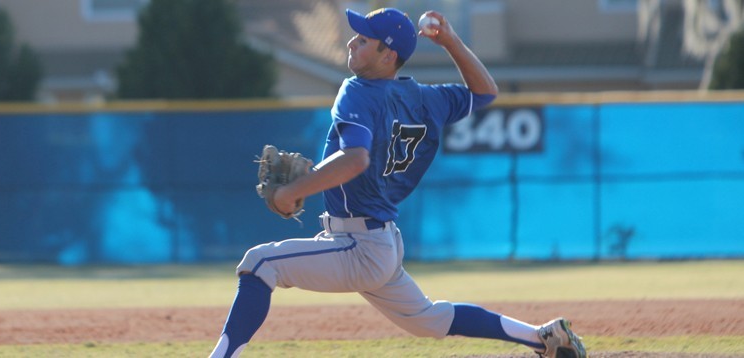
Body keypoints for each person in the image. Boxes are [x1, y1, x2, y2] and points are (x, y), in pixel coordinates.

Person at [209, 8, 587, 358]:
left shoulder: (357, 90)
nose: (351, 42)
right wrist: (451, 41)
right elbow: (485, 91)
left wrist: (293, 190)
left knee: (259, 264)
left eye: (363, 39)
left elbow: (357, 159)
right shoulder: (425, 99)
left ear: (388, 55)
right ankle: (543, 337)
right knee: (430, 320)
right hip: (379, 241)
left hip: (359, 246)